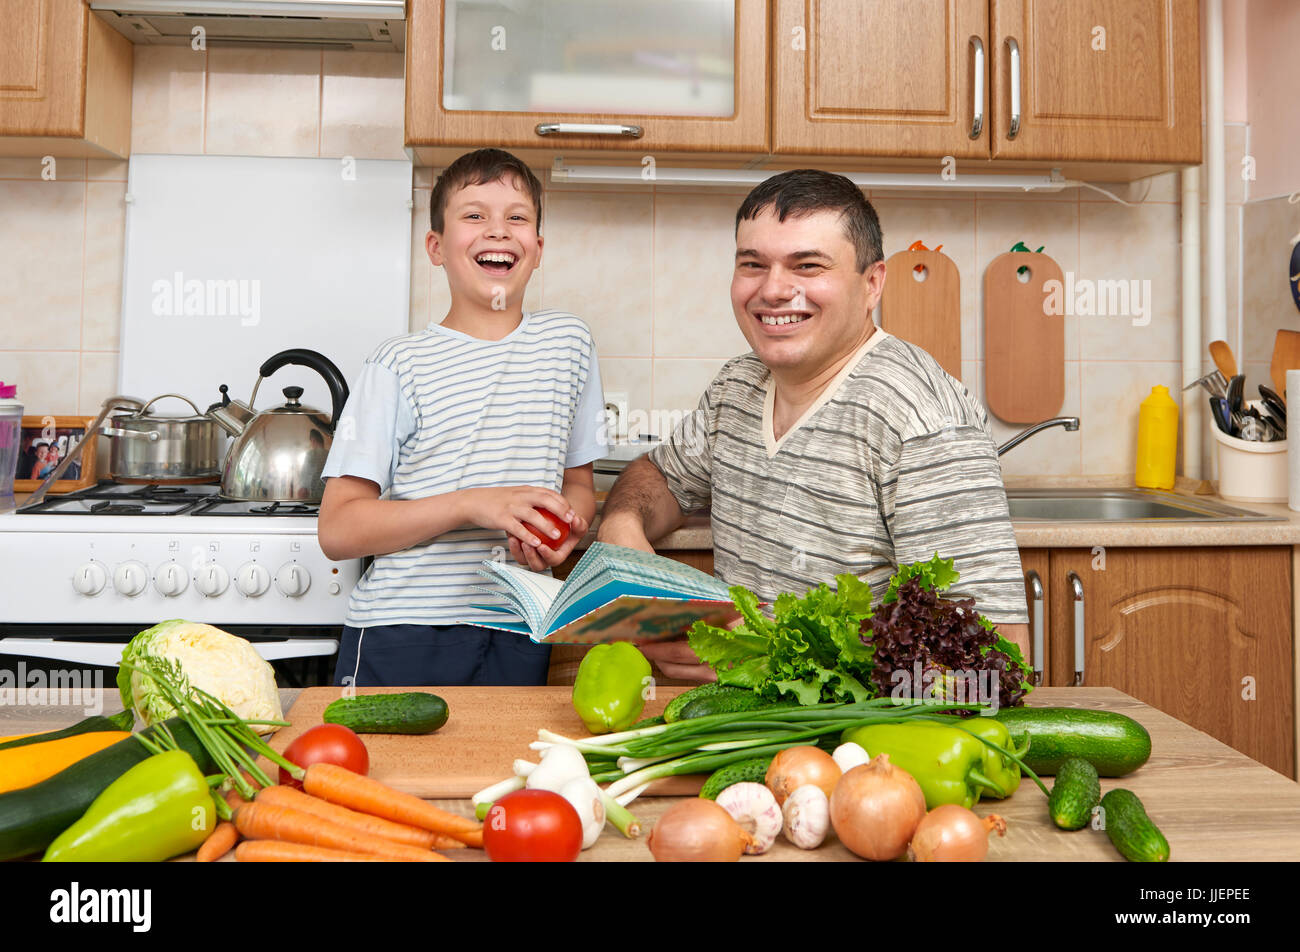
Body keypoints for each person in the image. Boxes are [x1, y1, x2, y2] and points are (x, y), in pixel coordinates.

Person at [597, 169, 1029, 682]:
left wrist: (774, 661)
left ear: (872, 284)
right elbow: (660, 475)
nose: (774, 290)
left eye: (807, 265)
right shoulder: (737, 387)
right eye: (753, 265)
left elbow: (995, 668)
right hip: (746, 730)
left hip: (861, 750)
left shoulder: (921, 419)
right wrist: (621, 526)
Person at [318, 148, 608, 687]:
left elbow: (578, 486)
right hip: (402, 627)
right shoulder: (397, 364)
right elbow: (338, 528)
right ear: (436, 246)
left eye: (517, 218)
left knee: (500, 771)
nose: (497, 231)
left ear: (538, 248)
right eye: (474, 215)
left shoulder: (570, 345)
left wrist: (564, 530)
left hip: (520, 624)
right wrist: (473, 504)